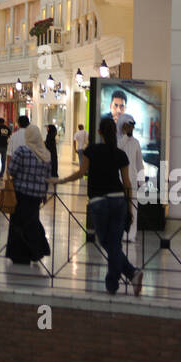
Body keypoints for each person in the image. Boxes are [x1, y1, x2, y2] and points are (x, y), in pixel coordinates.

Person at [59, 115, 143, 296]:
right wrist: (129, 209)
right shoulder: (119, 154)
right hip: (119, 201)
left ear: (99, 133)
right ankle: (130, 274)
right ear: (115, 132)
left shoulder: (91, 150)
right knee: (114, 244)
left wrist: (62, 180)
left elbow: (81, 173)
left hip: (99, 202)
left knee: (108, 243)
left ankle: (115, 282)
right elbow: (127, 183)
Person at [5, 123, 52, 265]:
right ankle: (35, 251)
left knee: (18, 224)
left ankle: (19, 254)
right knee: (32, 222)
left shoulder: (22, 151)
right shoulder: (46, 154)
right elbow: (47, 178)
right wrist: (43, 193)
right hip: (36, 196)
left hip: (21, 194)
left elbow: (11, 170)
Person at [117, 114, 145, 242]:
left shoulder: (136, 143)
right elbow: (117, 149)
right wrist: (124, 137)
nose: (130, 129)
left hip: (132, 180)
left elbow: (139, 163)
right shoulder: (118, 141)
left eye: (132, 127)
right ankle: (119, 233)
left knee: (133, 207)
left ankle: (131, 235)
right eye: (128, 126)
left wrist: (141, 181)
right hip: (119, 180)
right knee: (119, 207)